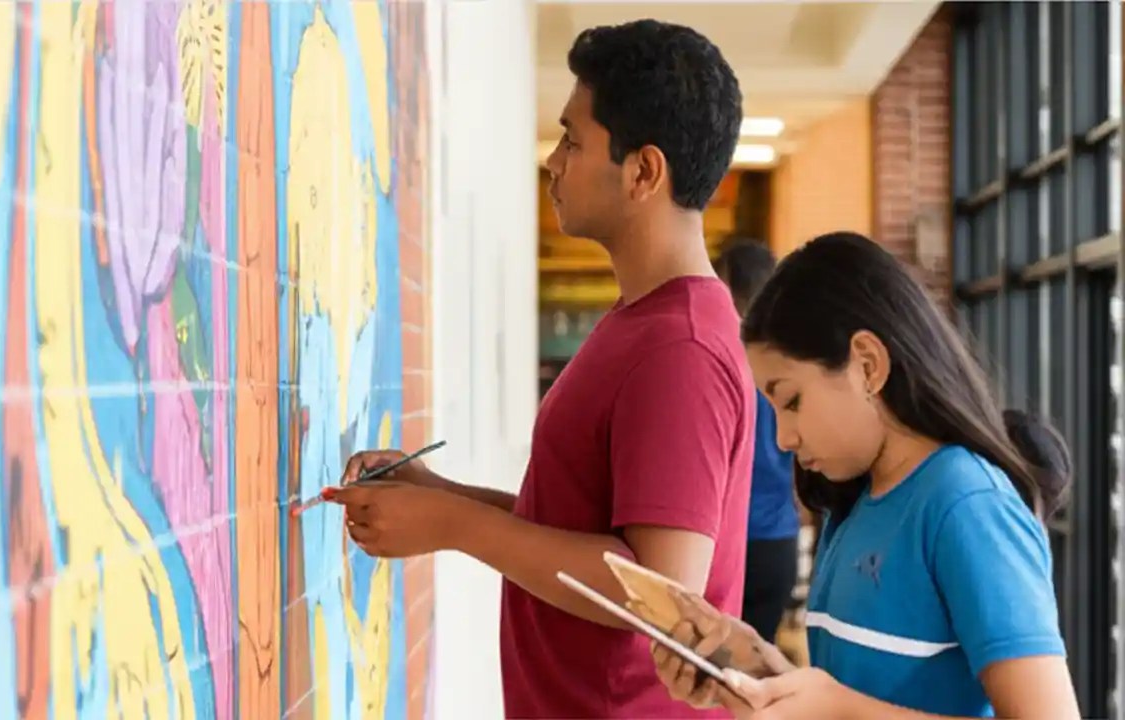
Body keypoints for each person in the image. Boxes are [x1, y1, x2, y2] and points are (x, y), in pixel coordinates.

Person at [329, 19, 754, 719]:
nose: (553, 162)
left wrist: (452, 526)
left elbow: (660, 589)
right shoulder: (640, 322)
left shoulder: (681, 348)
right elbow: (585, 528)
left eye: (572, 140)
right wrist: (445, 495)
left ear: (643, 171)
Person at [648, 231, 1080, 720]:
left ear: (868, 365)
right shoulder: (853, 502)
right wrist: (760, 670)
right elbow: (859, 694)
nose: (783, 438)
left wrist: (839, 712)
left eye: (791, 401)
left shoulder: (967, 503)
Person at [714, 239, 800, 644]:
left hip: (724, 545)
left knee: (710, 683)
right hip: (778, 543)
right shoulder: (793, 363)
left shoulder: (718, 360)